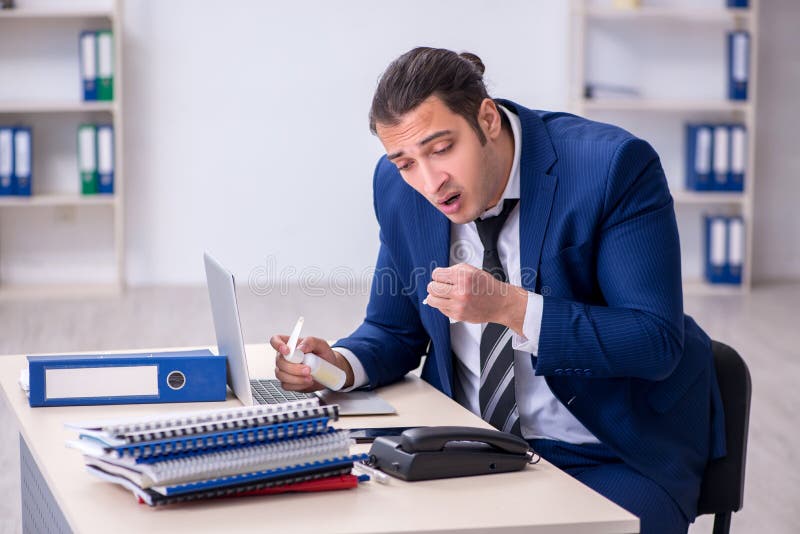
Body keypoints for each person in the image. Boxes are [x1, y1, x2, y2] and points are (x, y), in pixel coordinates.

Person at [270, 47, 725, 534]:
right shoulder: (399, 187)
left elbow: (654, 341)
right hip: (467, 446)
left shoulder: (611, 167)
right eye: (405, 161)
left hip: (609, 451)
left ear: (487, 118)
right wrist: (337, 365)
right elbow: (393, 328)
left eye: (441, 148)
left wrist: (511, 307)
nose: (428, 181)